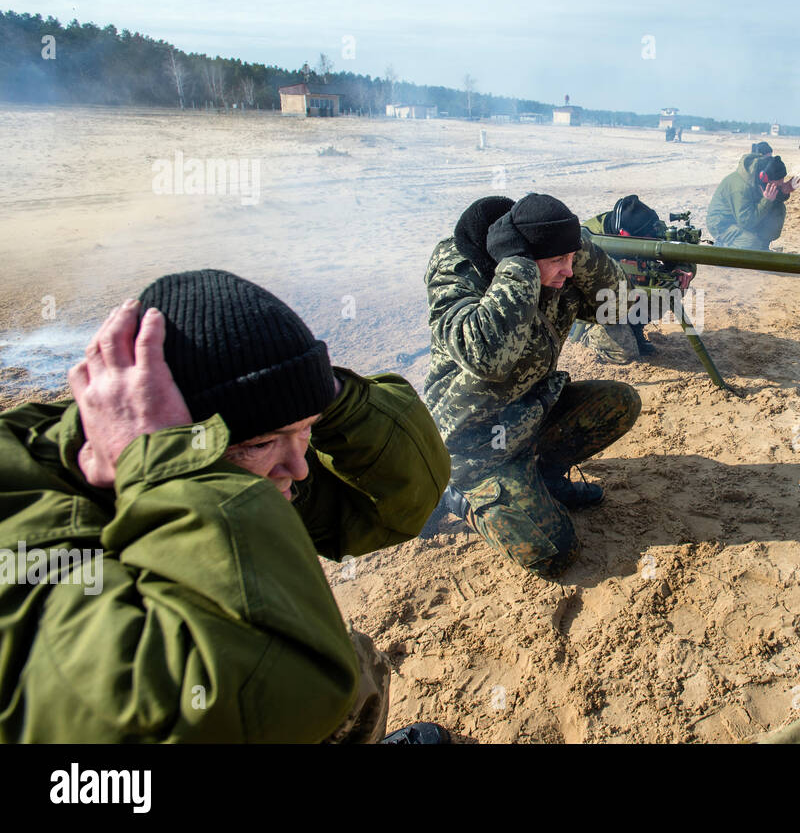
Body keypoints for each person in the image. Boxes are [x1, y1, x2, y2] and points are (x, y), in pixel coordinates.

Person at [0, 270, 451, 743]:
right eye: (262, 443)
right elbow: (188, 706)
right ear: (184, 438)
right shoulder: (27, 515)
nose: (298, 469)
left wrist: (320, 395)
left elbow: (390, 508)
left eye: (306, 431)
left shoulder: (234, 459)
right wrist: (165, 469)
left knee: (353, 676)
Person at [423, 193, 641, 580]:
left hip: (529, 413)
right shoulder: (458, 274)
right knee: (554, 553)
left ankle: (545, 476)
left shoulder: (560, 269)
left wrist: (573, 247)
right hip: (473, 445)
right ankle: (457, 495)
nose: (568, 272)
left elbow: (618, 305)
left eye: (571, 259)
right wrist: (520, 270)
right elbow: (488, 356)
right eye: (558, 261)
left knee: (619, 402)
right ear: (516, 259)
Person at [569, 194, 696, 365]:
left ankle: (634, 327)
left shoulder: (651, 226)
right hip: (597, 307)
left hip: (628, 296)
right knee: (624, 353)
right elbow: (577, 286)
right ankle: (586, 335)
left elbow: (684, 256)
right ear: (623, 234)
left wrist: (684, 270)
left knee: (672, 287)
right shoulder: (589, 239)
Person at [706, 153, 800, 250]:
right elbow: (746, 221)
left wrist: (784, 191)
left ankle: (762, 245)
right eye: (778, 182)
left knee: (779, 208)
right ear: (764, 177)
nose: (781, 183)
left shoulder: (758, 178)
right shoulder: (740, 187)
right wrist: (767, 201)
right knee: (750, 243)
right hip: (722, 223)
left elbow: (765, 198)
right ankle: (722, 247)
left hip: (743, 218)